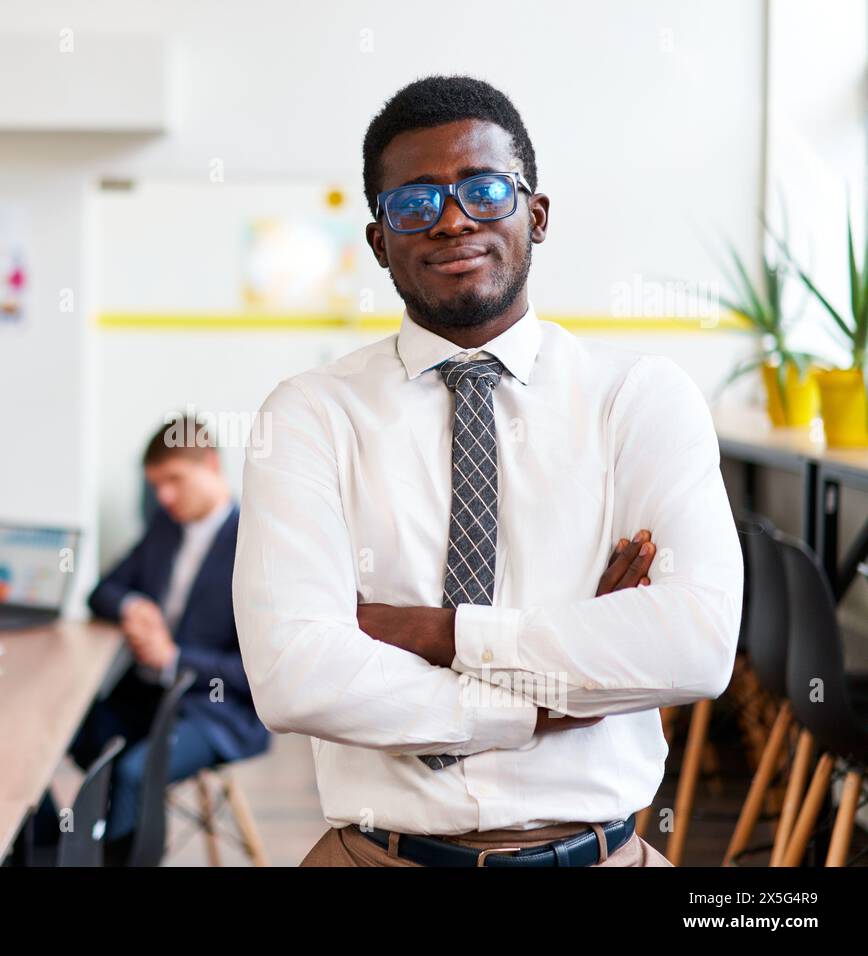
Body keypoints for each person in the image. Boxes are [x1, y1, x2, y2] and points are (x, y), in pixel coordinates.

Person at [232, 75, 744, 867]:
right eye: (414, 202)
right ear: (379, 242)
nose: (452, 219)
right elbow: (296, 675)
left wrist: (434, 632)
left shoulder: (640, 399)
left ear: (536, 215)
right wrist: (547, 699)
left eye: (485, 190)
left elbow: (695, 645)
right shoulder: (307, 415)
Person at [32, 415, 269, 865]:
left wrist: (173, 657)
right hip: (149, 696)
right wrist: (131, 607)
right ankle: (71, 848)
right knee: (54, 729)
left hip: (219, 709)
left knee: (133, 774)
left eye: (174, 481)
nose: (163, 497)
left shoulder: (254, 542)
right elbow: (102, 591)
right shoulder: (165, 527)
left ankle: (115, 854)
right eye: (156, 485)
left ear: (211, 465)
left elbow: (258, 671)